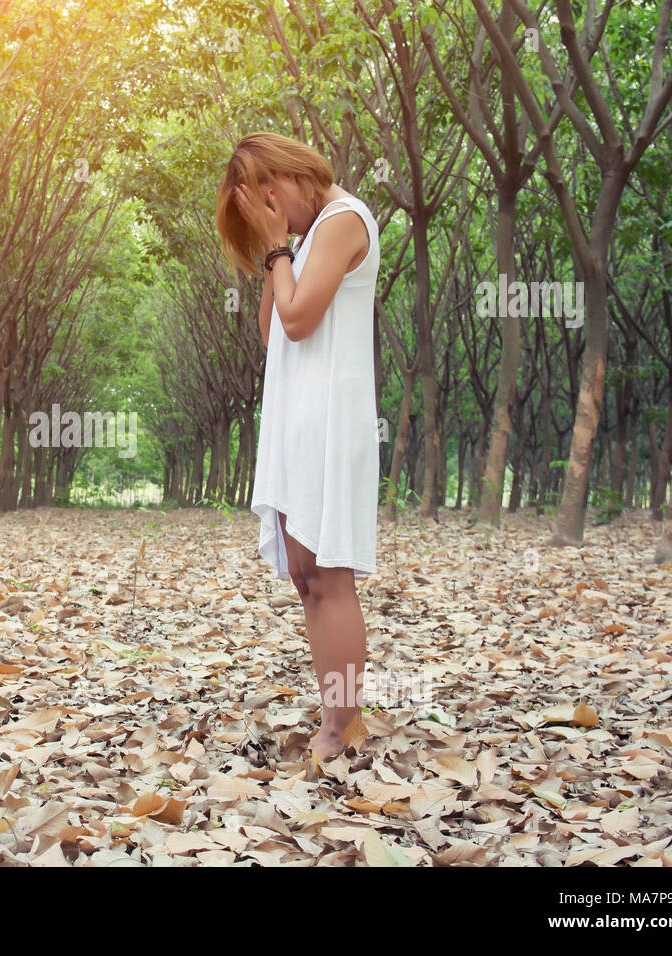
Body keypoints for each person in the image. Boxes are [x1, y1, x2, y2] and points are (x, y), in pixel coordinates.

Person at [215, 132, 380, 777]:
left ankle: (344, 723)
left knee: (330, 575)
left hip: (329, 419)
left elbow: (303, 318)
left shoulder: (342, 219)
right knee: (306, 575)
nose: (269, 213)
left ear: (288, 175)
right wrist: (273, 249)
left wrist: (281, 244)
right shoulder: (305, 239)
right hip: (295, 417)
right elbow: (272, 329)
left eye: (266, 198)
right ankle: (334, 716)